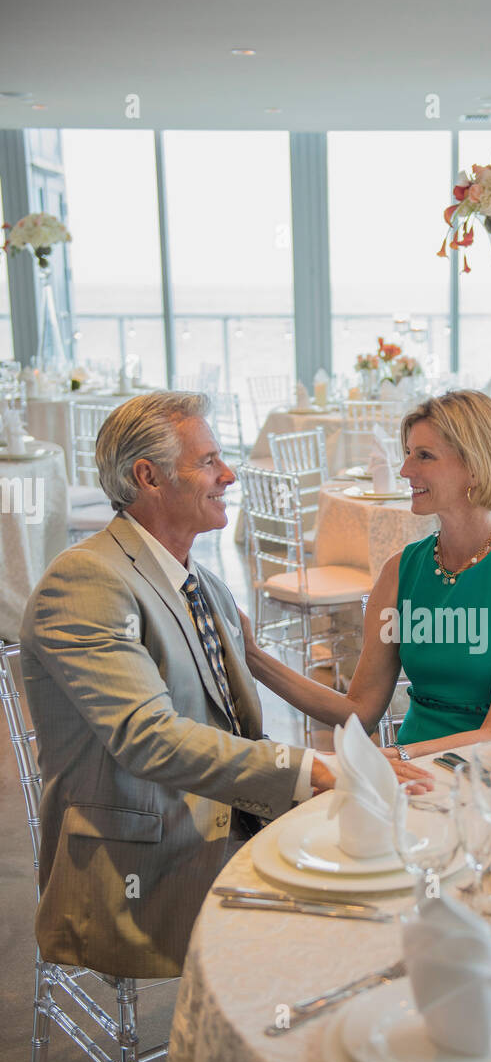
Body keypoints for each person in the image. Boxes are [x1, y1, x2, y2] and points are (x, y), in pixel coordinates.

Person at [20, 392, 429, 979]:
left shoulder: (202, 582)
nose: (229, 475)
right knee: (365, 922)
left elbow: (238, 724)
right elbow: (149, 738)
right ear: (148, 476)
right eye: (209, 461)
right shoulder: (86, 582)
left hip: (232, 823)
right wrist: (317, 771)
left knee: (397, 873)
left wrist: (324, 770)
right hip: (148, 867)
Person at [243, 389, 491, 757]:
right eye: (408, 453)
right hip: (413, 767)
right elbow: (359, 710)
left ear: (475, 466)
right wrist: (254, 658)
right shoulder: (401, 570)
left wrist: (395, 756)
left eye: (424, 456)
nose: (405, 470)